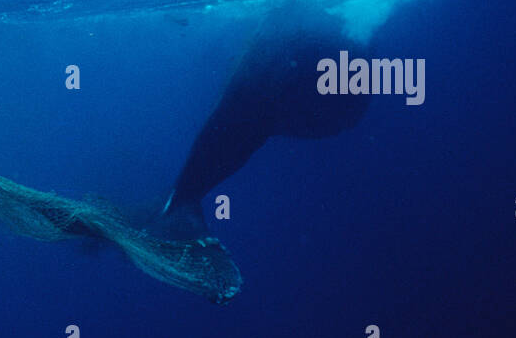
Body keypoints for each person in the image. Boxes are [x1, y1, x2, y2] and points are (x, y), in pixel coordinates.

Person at [151, 19, 371, 238]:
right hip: (282, 88)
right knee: (247, 128)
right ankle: (180, 202)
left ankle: (179, 202)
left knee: (245, 126)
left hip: (278, 83)